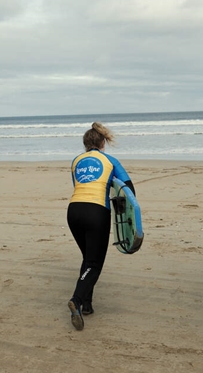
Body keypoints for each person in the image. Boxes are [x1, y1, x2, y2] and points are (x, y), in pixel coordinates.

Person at [65, 122, 134, 331]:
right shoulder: (110, 161)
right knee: (94, 263)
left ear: (85, 144)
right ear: (103, 142)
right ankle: (76, 300)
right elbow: (128, 189)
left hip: (73, 211)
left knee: (88, 258)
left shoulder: (76, 161)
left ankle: (87, 304)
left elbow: (78, 185)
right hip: (97, 212)